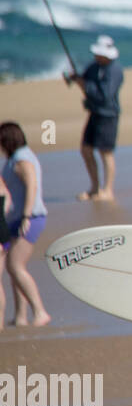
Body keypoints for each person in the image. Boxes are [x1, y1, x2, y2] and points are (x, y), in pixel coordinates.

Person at [0, 122, 52, 329]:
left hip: (31, 218)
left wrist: (26, 216)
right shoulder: (18, 157)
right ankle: (21, 316)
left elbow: (32, 186)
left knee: (15, 265)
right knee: (15, 268)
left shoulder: (22, 160)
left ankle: (40, 312)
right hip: (18, 219)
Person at [66, 34, 124, 201]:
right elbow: (84, 80)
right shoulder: (94, 67)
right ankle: (94, 188)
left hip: (108, 115)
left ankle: (108, 190)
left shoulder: (115, 70)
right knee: (86, 149)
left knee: (106, 152)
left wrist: (86, 85)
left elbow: (105, 95)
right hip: (94, 113)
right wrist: (75, 79)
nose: (96, 56)